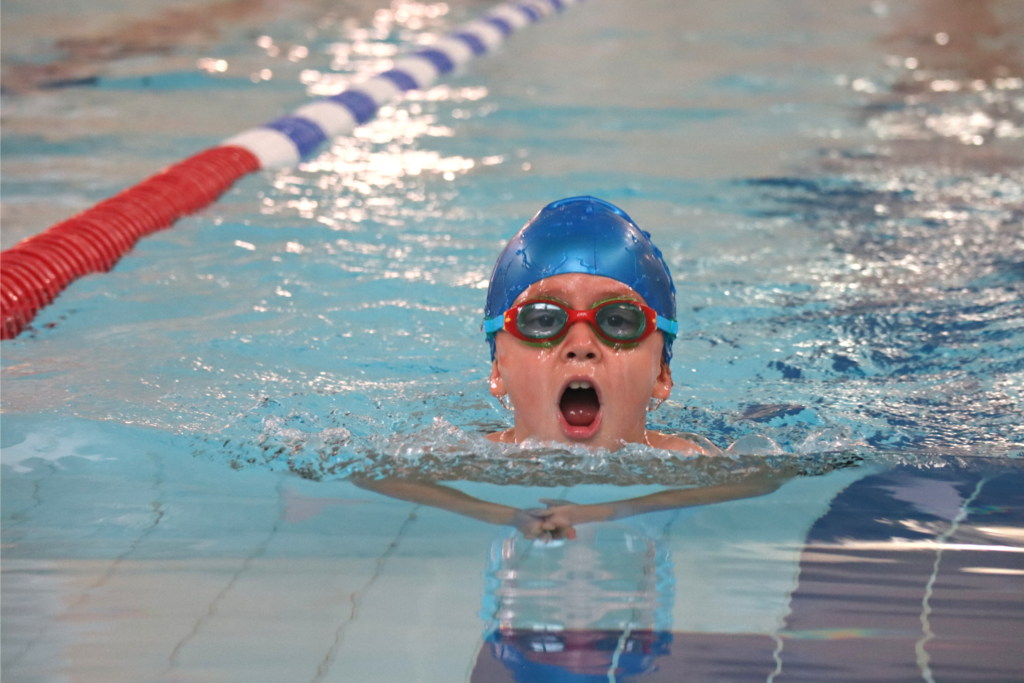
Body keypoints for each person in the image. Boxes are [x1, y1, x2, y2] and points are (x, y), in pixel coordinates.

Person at [355, 197, 793, 541]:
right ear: (497, 370)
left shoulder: (681, 460)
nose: (581, 346)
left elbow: (765, 480)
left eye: (619, 321)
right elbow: (364, 472)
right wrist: (503, 516)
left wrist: (611, 510)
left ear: (662, 373)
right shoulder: (470, 455)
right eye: (543, 320)